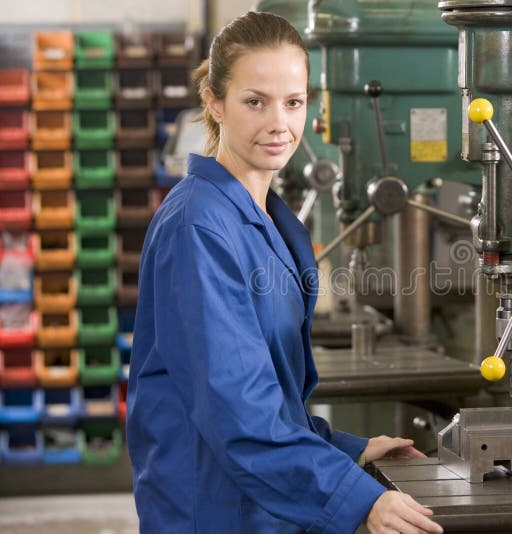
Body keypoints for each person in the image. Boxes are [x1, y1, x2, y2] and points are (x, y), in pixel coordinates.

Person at [126, 11, 443, 534]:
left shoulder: (267, 218)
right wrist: (357, 499)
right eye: (256, 101)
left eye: (293, 102)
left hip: (260, 505)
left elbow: (272, 398)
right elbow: (238, 411)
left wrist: (349, 449)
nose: (279, 123)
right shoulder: (198, 228)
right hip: (214, 509)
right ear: (213, 101)